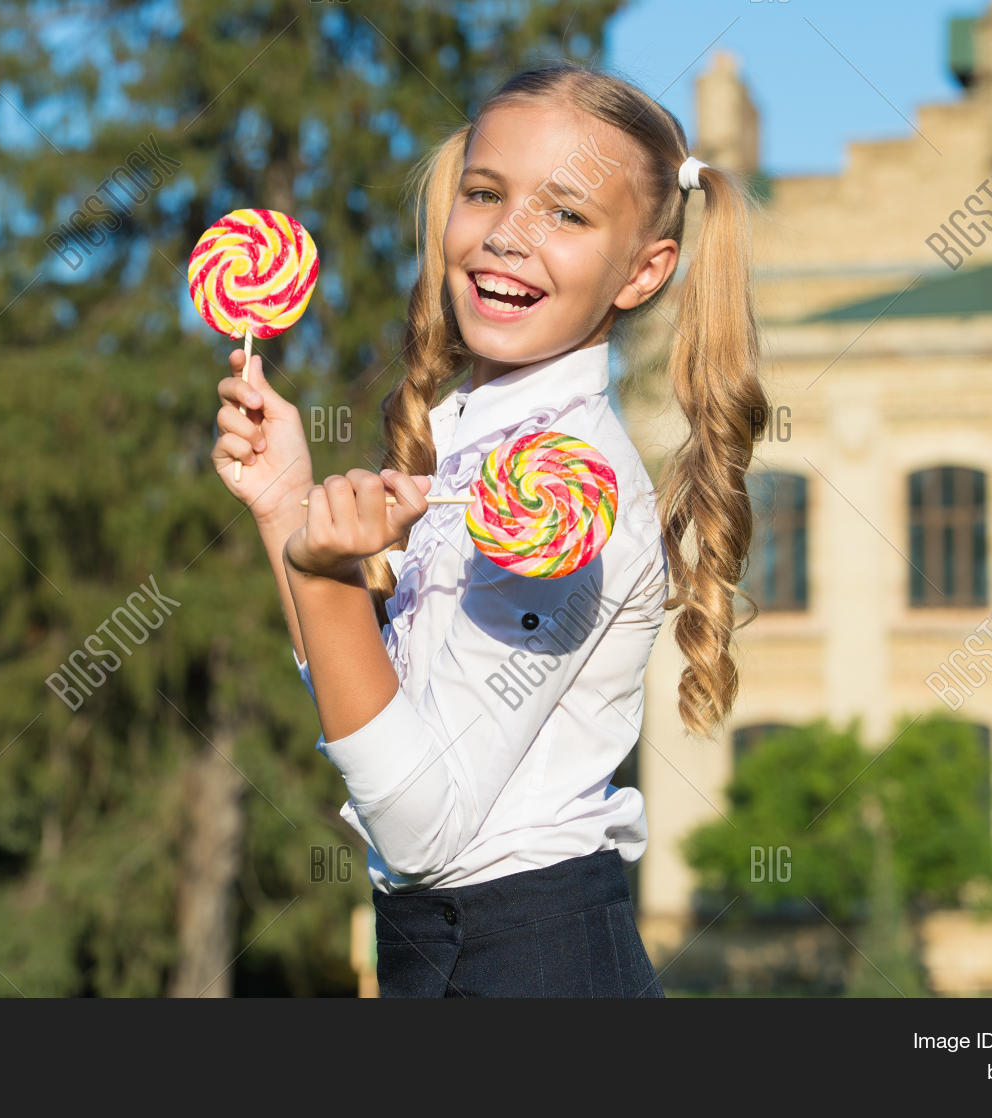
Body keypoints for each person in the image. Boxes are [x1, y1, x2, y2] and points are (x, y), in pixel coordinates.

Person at [211, 61, 767, 996]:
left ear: (644, 273)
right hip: (446, 954)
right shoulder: (473, 443)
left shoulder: (565, 489)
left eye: (567, 214)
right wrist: (286, 509)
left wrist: (322, 577)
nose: (508, 236)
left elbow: (418, 824)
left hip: (529, 960)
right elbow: (378, 705)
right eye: (485, 193)